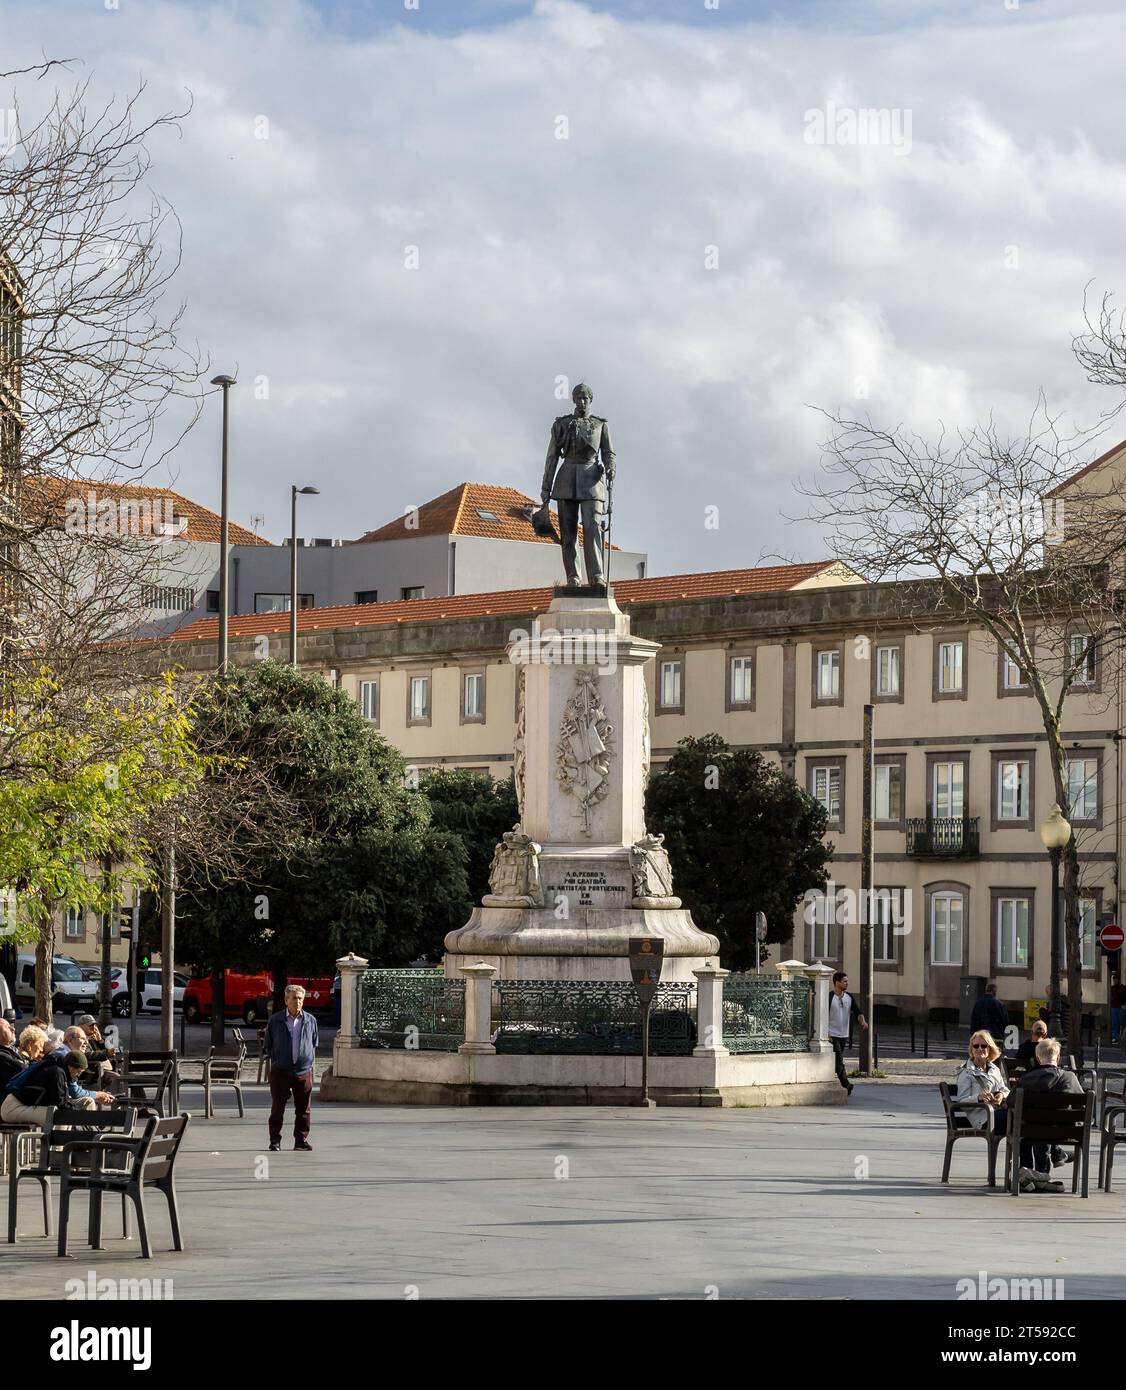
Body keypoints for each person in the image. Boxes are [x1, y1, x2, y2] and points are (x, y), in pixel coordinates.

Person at [539, 382, 615, 587]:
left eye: (585, 398)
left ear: (591, 400)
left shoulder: (601, 425)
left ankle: (597, 576)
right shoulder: (562, 425)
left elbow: (608, 453)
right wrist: (546, 488)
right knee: (568, 532)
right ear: (573, 400)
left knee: (592, 529)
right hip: (566, 480)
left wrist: (610, 467)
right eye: (578, 398)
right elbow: (552, 457)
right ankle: (573, 576)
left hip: (591, 481)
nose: (581, 402)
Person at [1011, 1037, 1085, 1192]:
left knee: (1030, 1125)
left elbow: (1011, 1102)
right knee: (1047, 1125)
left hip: (1029, 1132)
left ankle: (1031, 1176)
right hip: (1062, 1133)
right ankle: (1042, 1175)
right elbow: (1081, 1105)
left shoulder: (1027, 1078)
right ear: (1058, 1058)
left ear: (1038, 1058)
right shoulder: (1070, 1077)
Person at [265, 984, 319, 1152]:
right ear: (286, 1000)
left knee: (304, 1109)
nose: (297, 1001)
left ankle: (301, 1140)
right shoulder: (276, 1020)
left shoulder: (310, 1020)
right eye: (294, 998)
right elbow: (269, 1044)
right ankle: (275, 1140)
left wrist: (307, 1060)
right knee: (277, 1108)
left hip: (303, 1070)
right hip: (281, 1070)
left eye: (300, 998)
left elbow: (313, 1042)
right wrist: (279, 1059)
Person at [1, 1033, 98, 1125]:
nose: (78, 1076)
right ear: (71, 1067)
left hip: (24, 1104)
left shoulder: (60, 1069)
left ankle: (84, 1135)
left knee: (82, 1104)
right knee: (58, 1115)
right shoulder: (57, 1073)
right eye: (79, 1072)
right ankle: (59, 1142)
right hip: (14, 1107)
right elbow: (60, 1103)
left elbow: (61, 1100)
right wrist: (79, 1112)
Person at [954, 1031, 1010, 1142]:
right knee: (1018, 1119)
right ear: (971, 1049)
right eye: (976, 1046)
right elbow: (961, 1103)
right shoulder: (966, 1072)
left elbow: (1005, 1090)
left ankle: (1025, 1157)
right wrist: (978, 1098)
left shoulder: (995, 1069)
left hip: (996, 1113)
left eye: (983, 1046)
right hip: (982, 1119)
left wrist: (1001, 1095)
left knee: (1022, 1120)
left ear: (990, 1049)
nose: (979, 1049)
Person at [828, 971, 868, 1097]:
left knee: (837, 1061)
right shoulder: (829, 997)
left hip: (844, 1035)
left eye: (847, 981)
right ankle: (846, 1084)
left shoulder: (849, 997)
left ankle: (833, 1077)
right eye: (844, 981)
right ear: (837, 982)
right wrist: (825, 1033)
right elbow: (822, 1015)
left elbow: (857, 1012)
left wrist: (863, 1022)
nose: (847, 983)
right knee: (839, 1060)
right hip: (831, 1034)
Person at [0, 1018, 22, 1089]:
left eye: (11, 1026)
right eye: (8, 1027)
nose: (13, 1029)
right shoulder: (2, 1056)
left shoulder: (12, 1049)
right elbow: (23, 1069)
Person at [1110, 975, 1125, 1045]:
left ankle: (1121, 1038)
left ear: (1118, 980)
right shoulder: (1112, 988)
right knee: (1114, 1023)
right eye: (1114, 980)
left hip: (1120, 1007)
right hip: (1114, 1007)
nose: (1115, 981)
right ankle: (1115, 1038)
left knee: (1121, 1023)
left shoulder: (1122, 988)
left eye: (1116, 979)